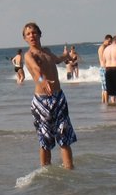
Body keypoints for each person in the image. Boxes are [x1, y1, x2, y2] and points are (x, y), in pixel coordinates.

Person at [21, 22, 76, 169]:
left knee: (64, 136)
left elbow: (56, 60)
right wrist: (43, 80)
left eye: (34, 32)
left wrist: (66, 56)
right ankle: (45, 171)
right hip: (41, 101)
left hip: (59, 98)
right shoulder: (28, 55)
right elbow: (36, 70)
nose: (31, 35)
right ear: (25, 39)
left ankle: (70, 170)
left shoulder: (47, 51)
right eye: (28, 34)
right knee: (45, 139)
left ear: (39, 34)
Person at [96, 34, 112, 104]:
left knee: (103, 88)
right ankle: (106, 102)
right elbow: (103, 59)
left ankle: (103, 102)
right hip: (104, 68)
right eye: (109, 41)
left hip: (103, 68)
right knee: (106, 88)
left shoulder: (104, 47)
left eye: (111, 42)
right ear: (105, 40)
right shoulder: (102, 47)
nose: (110, 43)